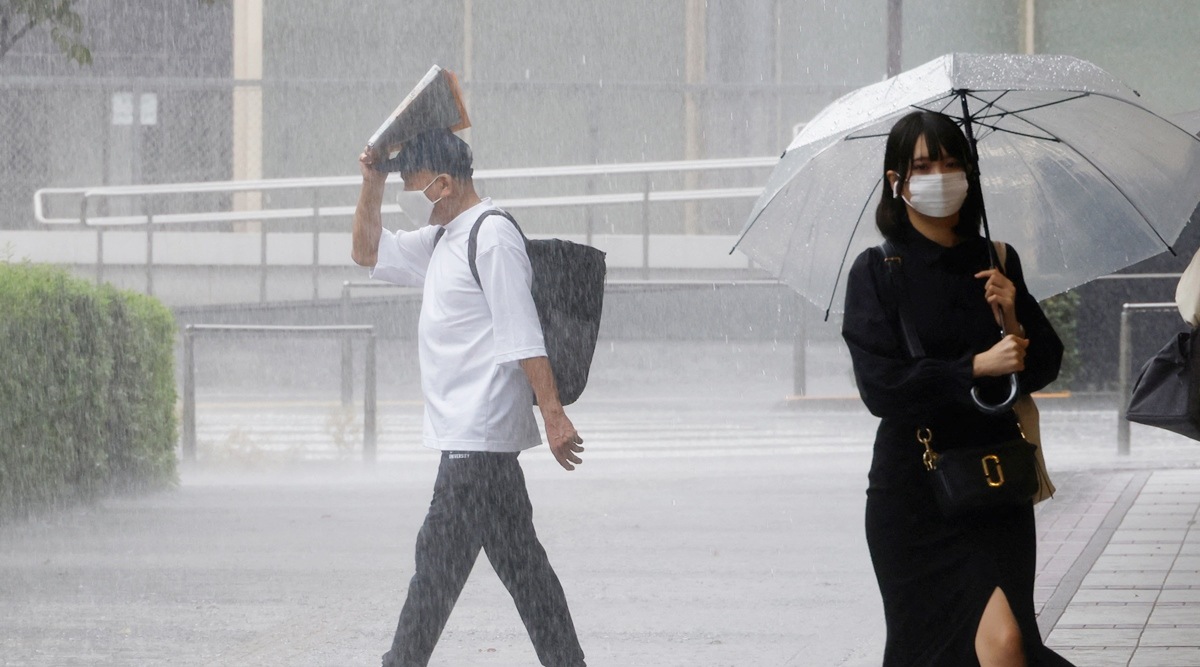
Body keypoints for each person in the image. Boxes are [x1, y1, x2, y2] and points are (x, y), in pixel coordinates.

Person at [841, 111, 1074, 667]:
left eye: (951, 163)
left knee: (1008, 642)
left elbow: (1043, 365)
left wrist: (1012, 318)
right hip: (913, 493)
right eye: (923, 166)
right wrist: (973, 367)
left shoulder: (997, 260)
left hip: (995, 482)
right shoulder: (876, 272)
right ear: (896, 180)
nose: (939, 177)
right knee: (938, 651)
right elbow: (881, 389)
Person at [351, 128, 587, 667]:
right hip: (473, 444)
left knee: (435, 576)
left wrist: (554, 415)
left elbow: (521, 331)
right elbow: (366, 251)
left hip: (475, 442)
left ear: (445, 184)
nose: (413, 200)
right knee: (525, 574)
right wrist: (373, 181)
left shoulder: (491, 235)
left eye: (416, 188)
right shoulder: (443, 238)